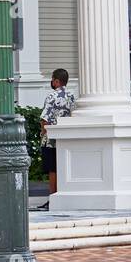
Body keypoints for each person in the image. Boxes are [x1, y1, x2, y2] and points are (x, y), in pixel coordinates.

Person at [38, 68, 76, 205]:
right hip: (66, 137)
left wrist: (43, 132)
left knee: (52, 169)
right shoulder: (71, 96)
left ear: (56, 81)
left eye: (52, 79)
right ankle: (63, 195)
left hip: (51, 139)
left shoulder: (52, 96)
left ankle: (53, 198)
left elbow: (45, 118)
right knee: (63, 167)